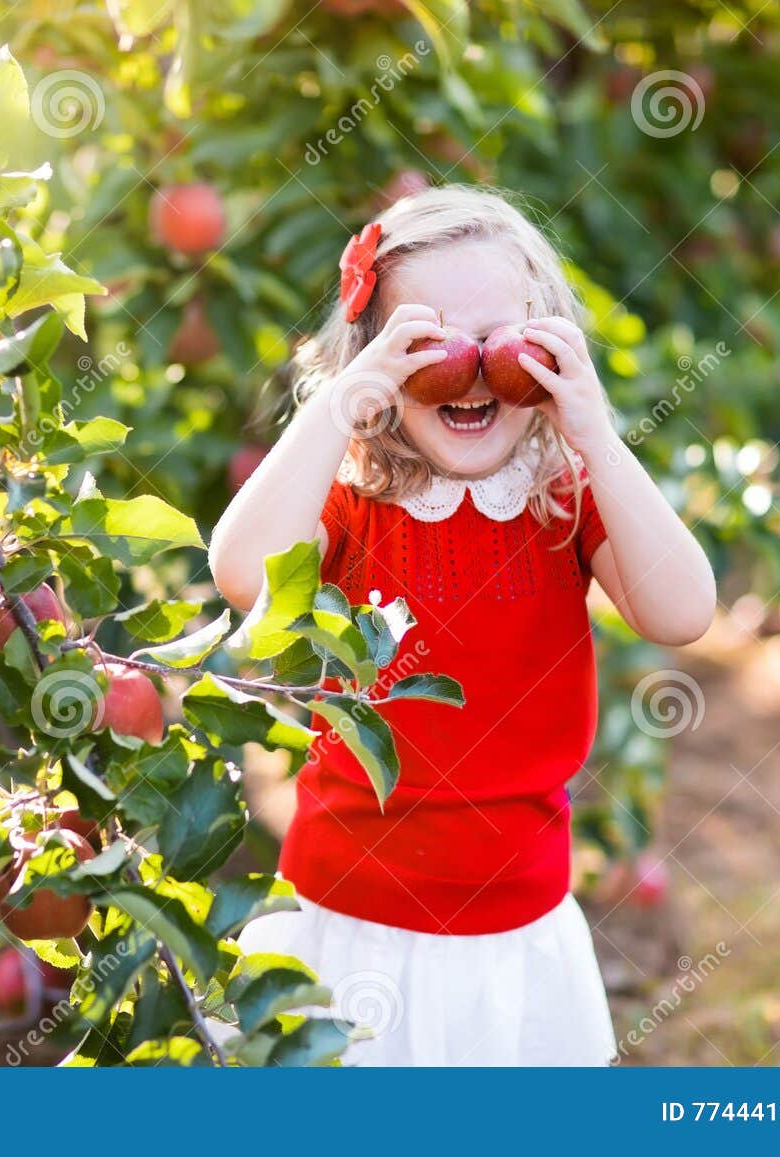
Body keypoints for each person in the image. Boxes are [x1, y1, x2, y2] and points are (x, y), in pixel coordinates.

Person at [208, 186, 716, 1066]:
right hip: (349, 915)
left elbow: (683, 610)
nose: (471, 370)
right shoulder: (354, 500)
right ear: (374, 359)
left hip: (515, 925)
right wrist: (339, 407)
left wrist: (594, 431)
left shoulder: (566, 496)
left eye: (500, 342)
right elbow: (243, 572)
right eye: (427, 344)